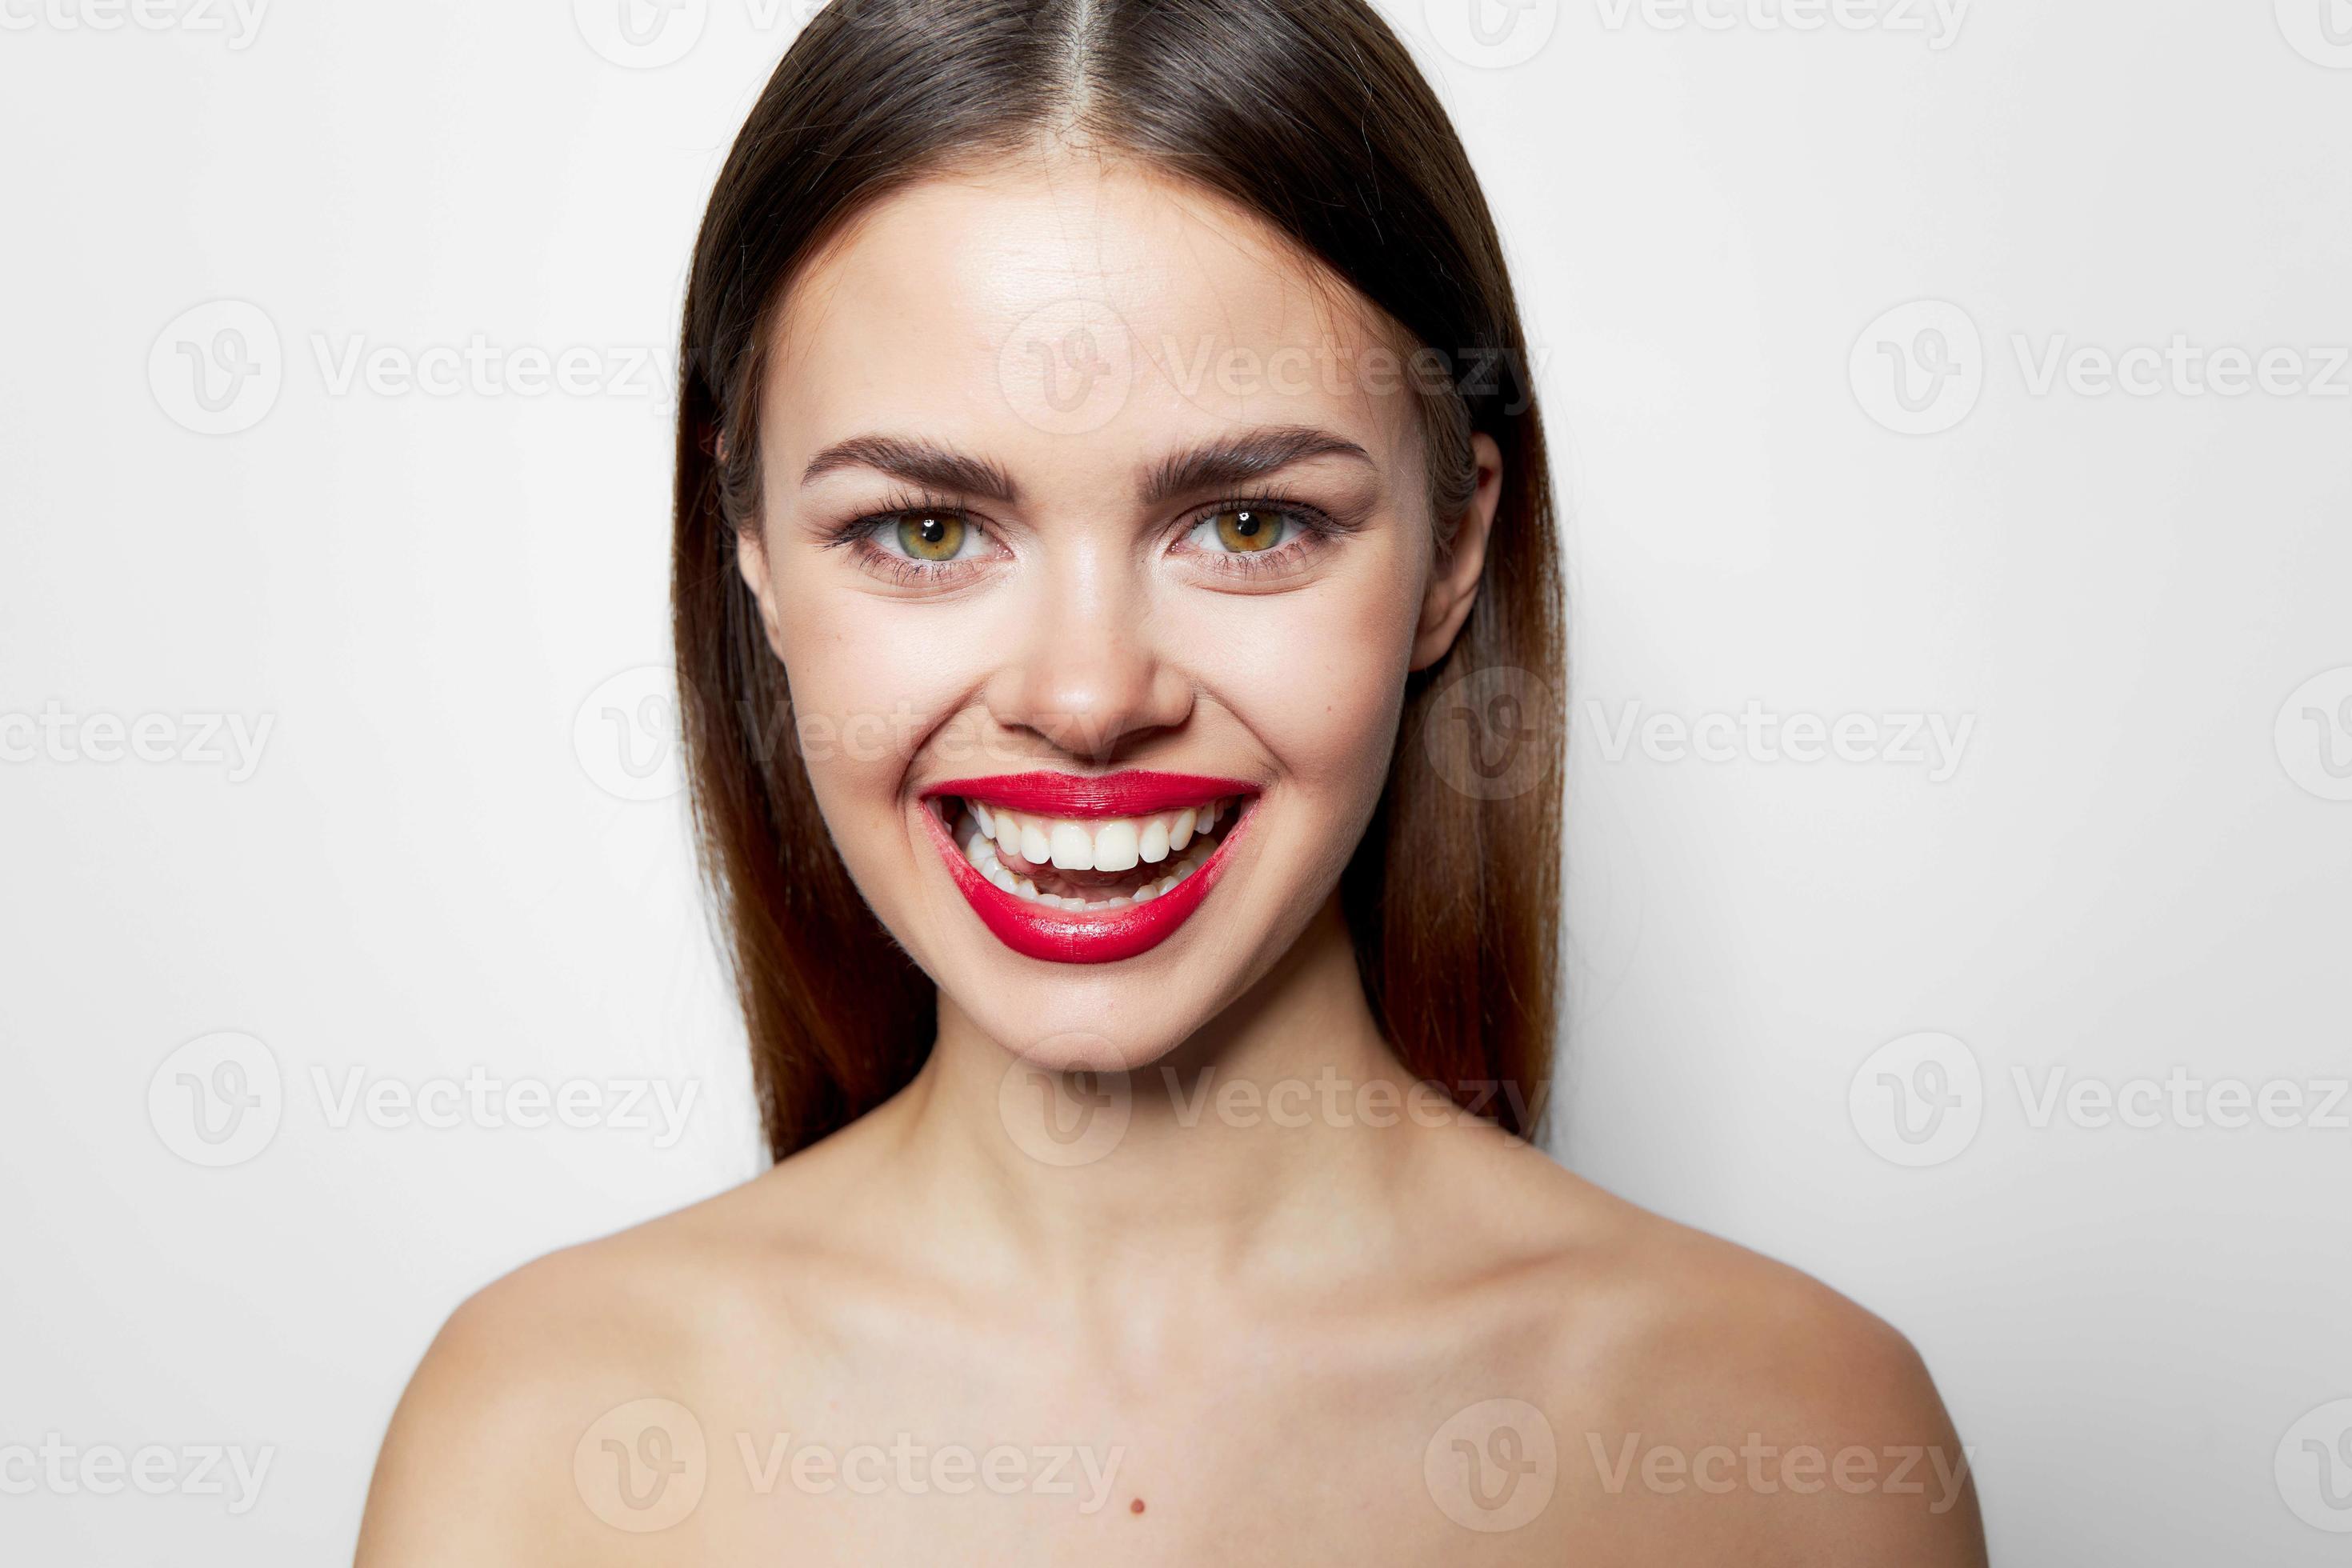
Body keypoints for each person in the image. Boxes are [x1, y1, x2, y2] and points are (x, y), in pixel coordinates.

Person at [357, 2, 1985, 1560]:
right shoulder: (533, 1432)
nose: (1086, 696)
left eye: (1251, 522)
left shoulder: (1797, 1437)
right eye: (925, 529)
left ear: (1454, 548)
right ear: (753, 553)